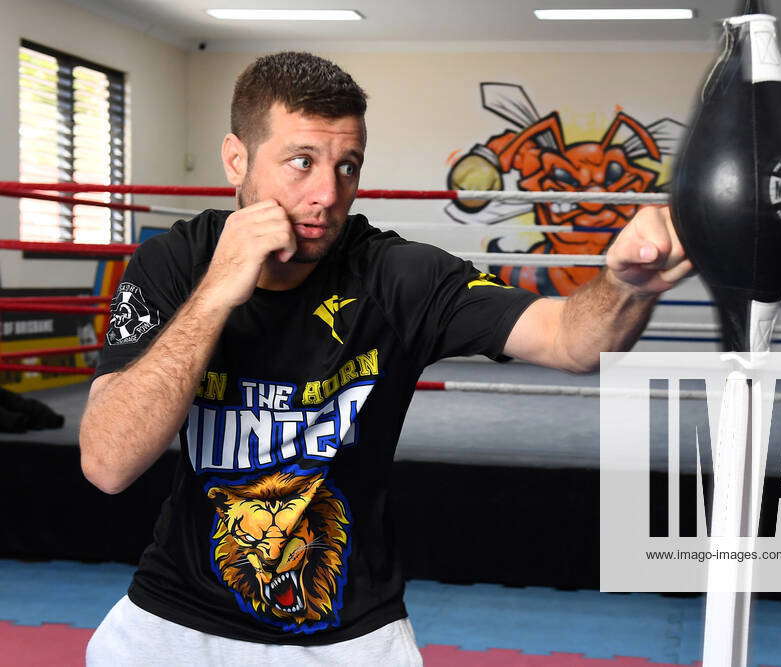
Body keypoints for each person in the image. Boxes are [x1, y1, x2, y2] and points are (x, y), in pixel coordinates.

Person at [80, 51, 692, 665]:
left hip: (349, 632)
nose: (328, 194)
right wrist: (216, 293)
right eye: (302, 162)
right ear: (237, 159)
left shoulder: (396, 276)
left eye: (348, 166)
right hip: (173, 616)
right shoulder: (175, 264)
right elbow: (107, 463)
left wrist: (626, 286)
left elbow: (568, 340)